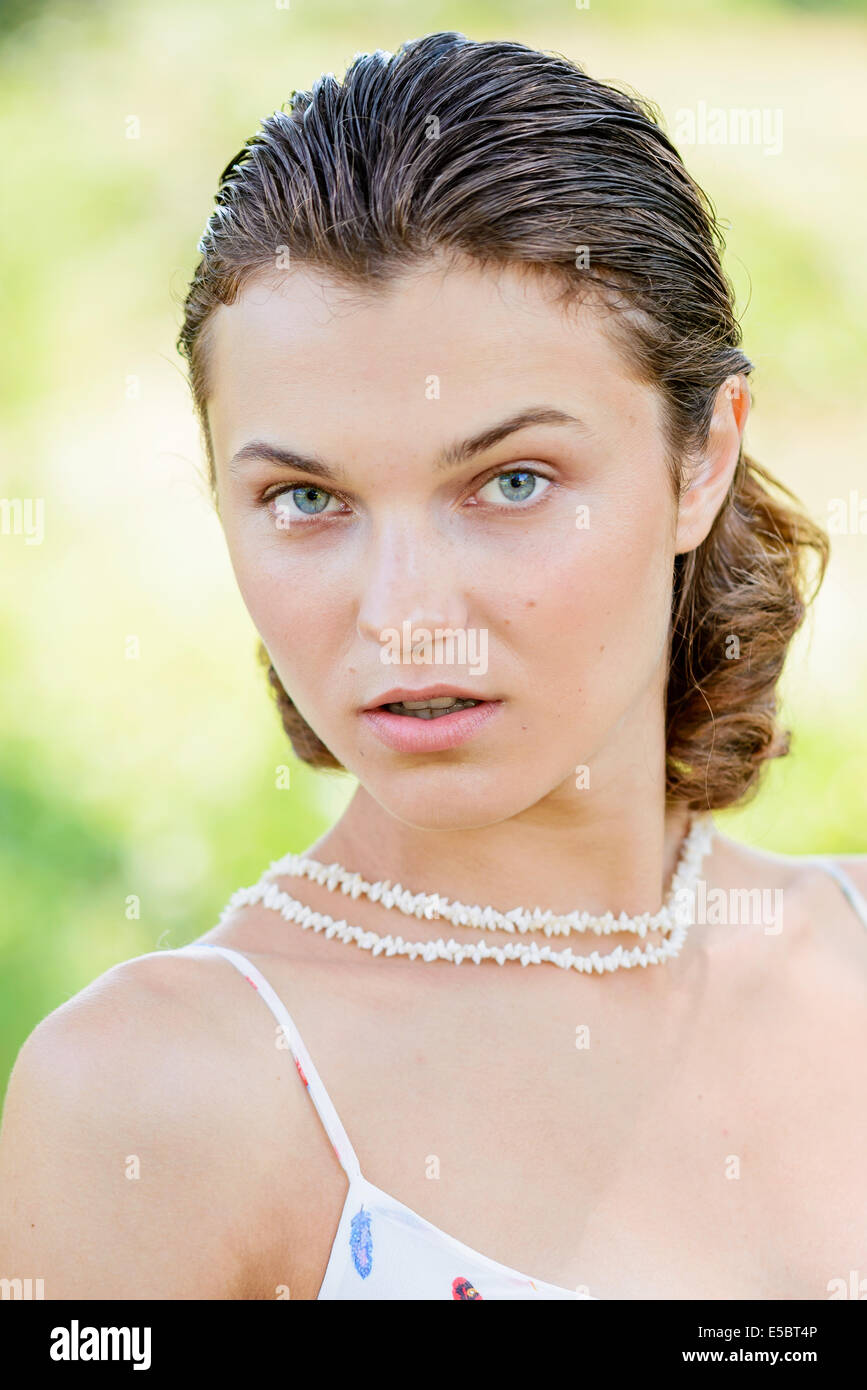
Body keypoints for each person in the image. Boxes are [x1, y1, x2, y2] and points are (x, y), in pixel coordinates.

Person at [1, 31, 865, 1302]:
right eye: (307, 497)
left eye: (511, 481)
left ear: (702, 458)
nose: (407, 618)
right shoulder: (155, 1095)